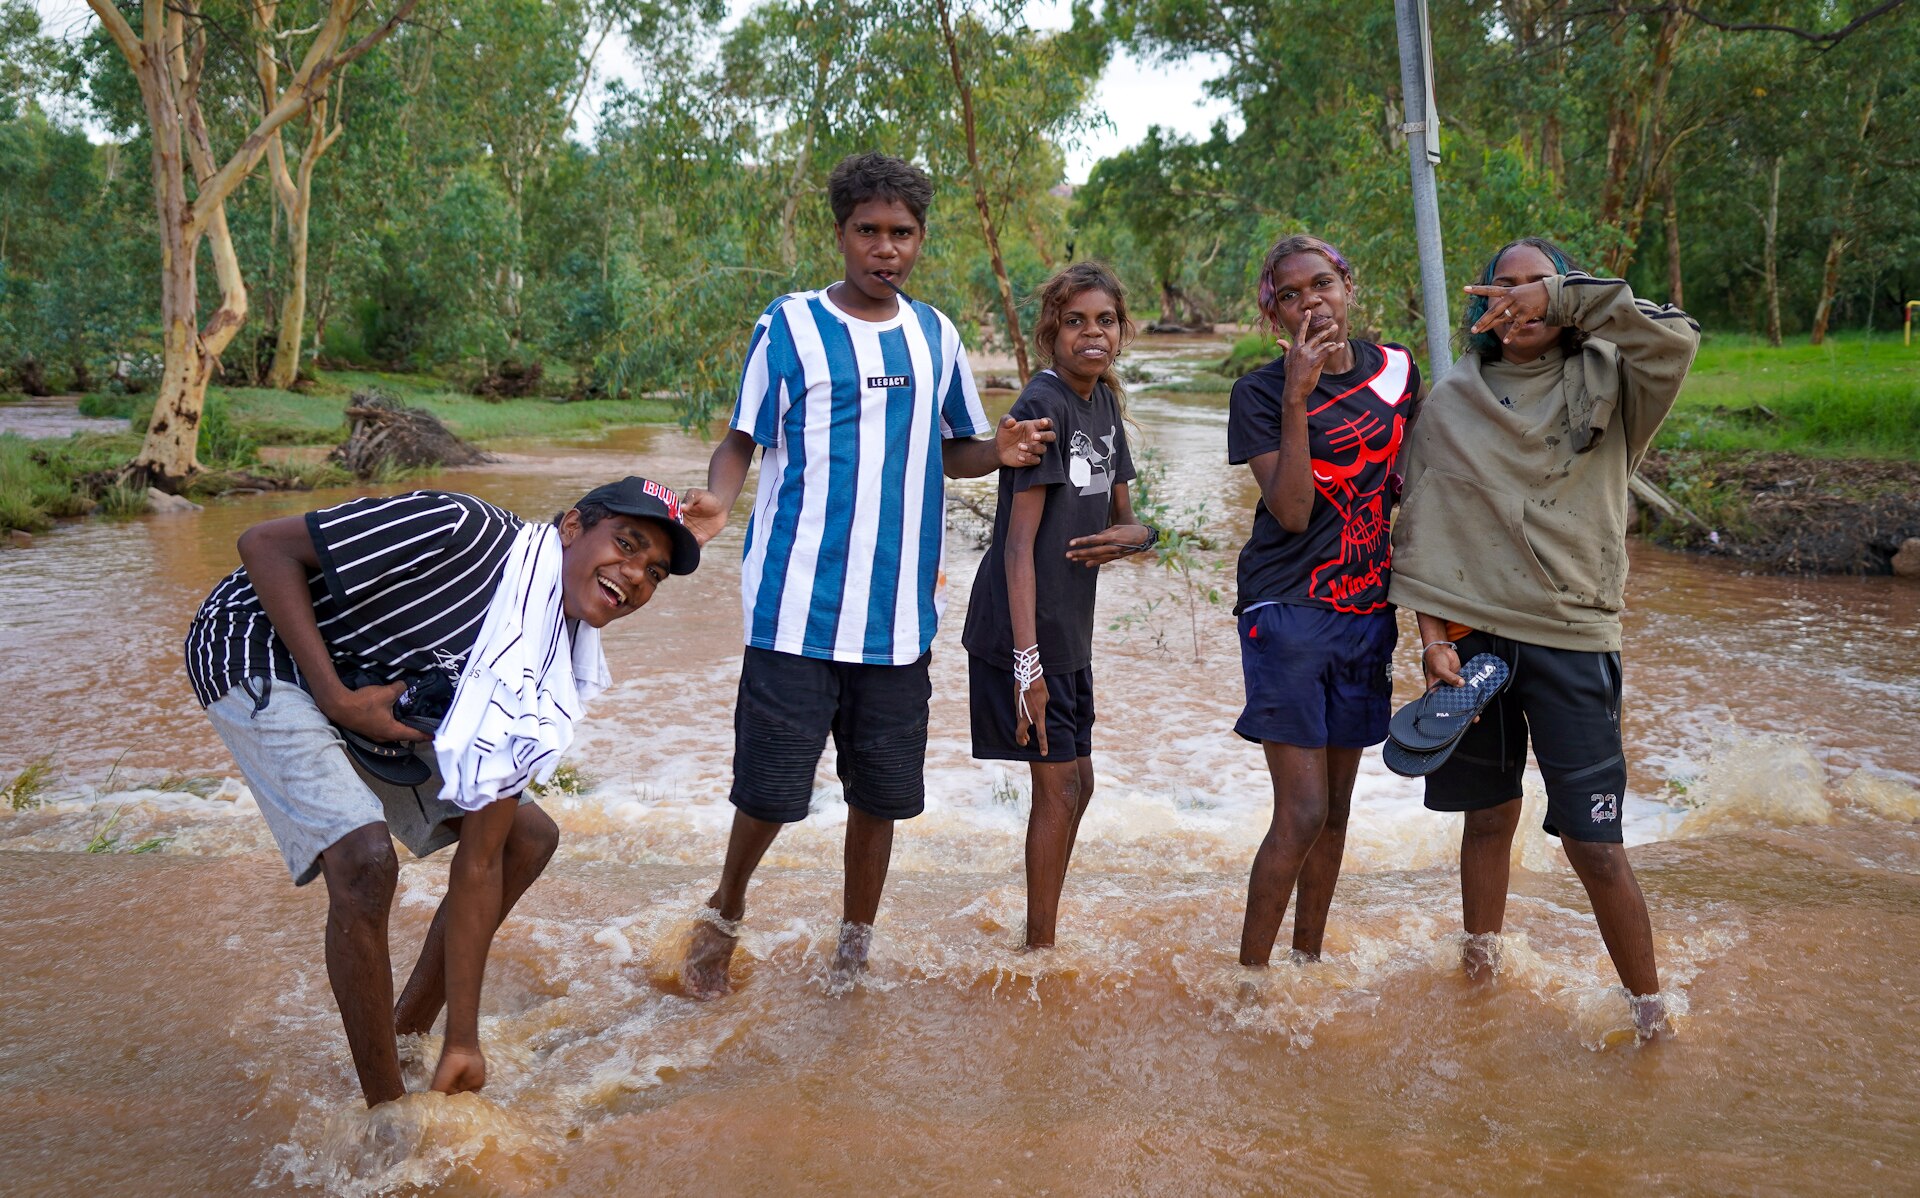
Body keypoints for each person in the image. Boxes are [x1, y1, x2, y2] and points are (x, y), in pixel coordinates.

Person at [185, 478, 698, 1105]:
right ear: (570, 529)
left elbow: (481, 862)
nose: (636, 575)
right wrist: (336, 700)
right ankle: (386, 1113)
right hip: (259, 645)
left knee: (525, 839)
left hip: (376, 670)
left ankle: (407, 1037)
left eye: (655, 572)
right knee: (364, 861)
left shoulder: (541, 663)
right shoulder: (460, 529)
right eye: (626, 543)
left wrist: (464, 1039)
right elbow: (263, 545)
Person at [676, 152, 1053, 997]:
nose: (887, 249)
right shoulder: (791, 326)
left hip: (898, 621)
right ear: (841, 234)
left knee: (880, 798)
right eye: (870, 232)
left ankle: (854, 948)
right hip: (794, 609)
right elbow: (743, 437)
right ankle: (724, 912)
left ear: (920, 240)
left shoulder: (936, 336)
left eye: (903, 234)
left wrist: (1001, 449)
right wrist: (718, 502)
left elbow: (957, 450)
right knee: (770, 794)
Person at [1387, 237, 1699, 1035]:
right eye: (1505, 287)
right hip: (1475, 638)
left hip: (1574, 635)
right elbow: (1426, 527)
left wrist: (1561, 299)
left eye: (1538, 288)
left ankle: (1651, 1017)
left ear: (1563, 299)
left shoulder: (1617, 381)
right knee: (1488, 817)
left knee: (1595, 845)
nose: (1518, 302)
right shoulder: (1452, 399)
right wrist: (1431, 640)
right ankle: (1478, 982)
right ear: (1481, 303)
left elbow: (1676, 335)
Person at [1227, 235, 1420, 968]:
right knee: (1302, 811)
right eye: (1291, 294)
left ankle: (1306, 964)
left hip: (1368, 613)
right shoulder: (1260, 392)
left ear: (1348, 284)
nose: (1311, 302)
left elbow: (1407, 486)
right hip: (1288, 611)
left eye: (1322, 285)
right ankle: (1250, 980)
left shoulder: (1399, 370)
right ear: (1272, 313)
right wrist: (1300, 398)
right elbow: (1294, 511)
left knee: (1336, 813)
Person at [960, 262, 1153, 949]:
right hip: (1023, 629)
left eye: (1105, 321)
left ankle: (1037, 930)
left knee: (1082, 786)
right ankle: (1038, 948)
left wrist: (1139, 537)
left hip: (1068, 630)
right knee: (1060, 789)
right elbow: (1016, 547)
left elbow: (1129, 518)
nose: (1092, 333)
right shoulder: (1044, 404)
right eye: (1076, 322)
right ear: (1051, 333)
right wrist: (1026, 668)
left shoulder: (1102, 402)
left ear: (1122, 332)